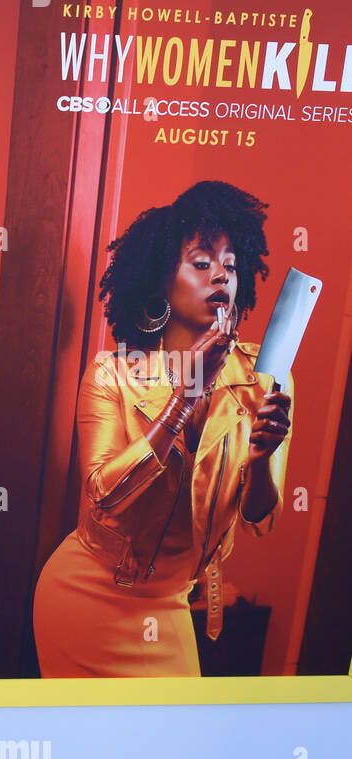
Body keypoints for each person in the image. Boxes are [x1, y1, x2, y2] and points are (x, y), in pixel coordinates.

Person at [33, 180, 292, 677]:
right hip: (85, 596)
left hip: (169, 605)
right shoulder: (113, 374)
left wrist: (261, 459)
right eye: (201, 263)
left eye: (231, 265)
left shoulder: (266, 381)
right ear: (161, 281)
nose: (220, 274)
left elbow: (261, 519)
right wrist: (183, 400)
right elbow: (103, 494)